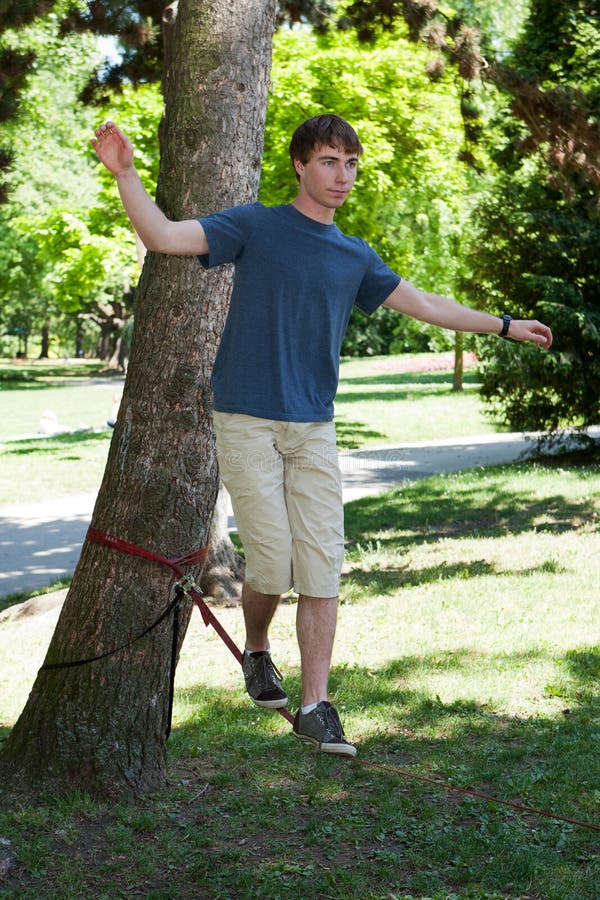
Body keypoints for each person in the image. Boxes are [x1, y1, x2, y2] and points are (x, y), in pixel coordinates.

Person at [92, 114, 553, 758]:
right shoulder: (255, 224)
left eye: (352, 164)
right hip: (247, 416)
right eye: (331, 162)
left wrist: (503, 326)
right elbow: (163, 236)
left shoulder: (354, 255)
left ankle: (316, 704)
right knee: (274, 559)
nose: (343, 176)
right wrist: (126, 174)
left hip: (315, 425)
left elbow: (425, 306)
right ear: (301, 166)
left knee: (322, 566)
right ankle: (257, 650)